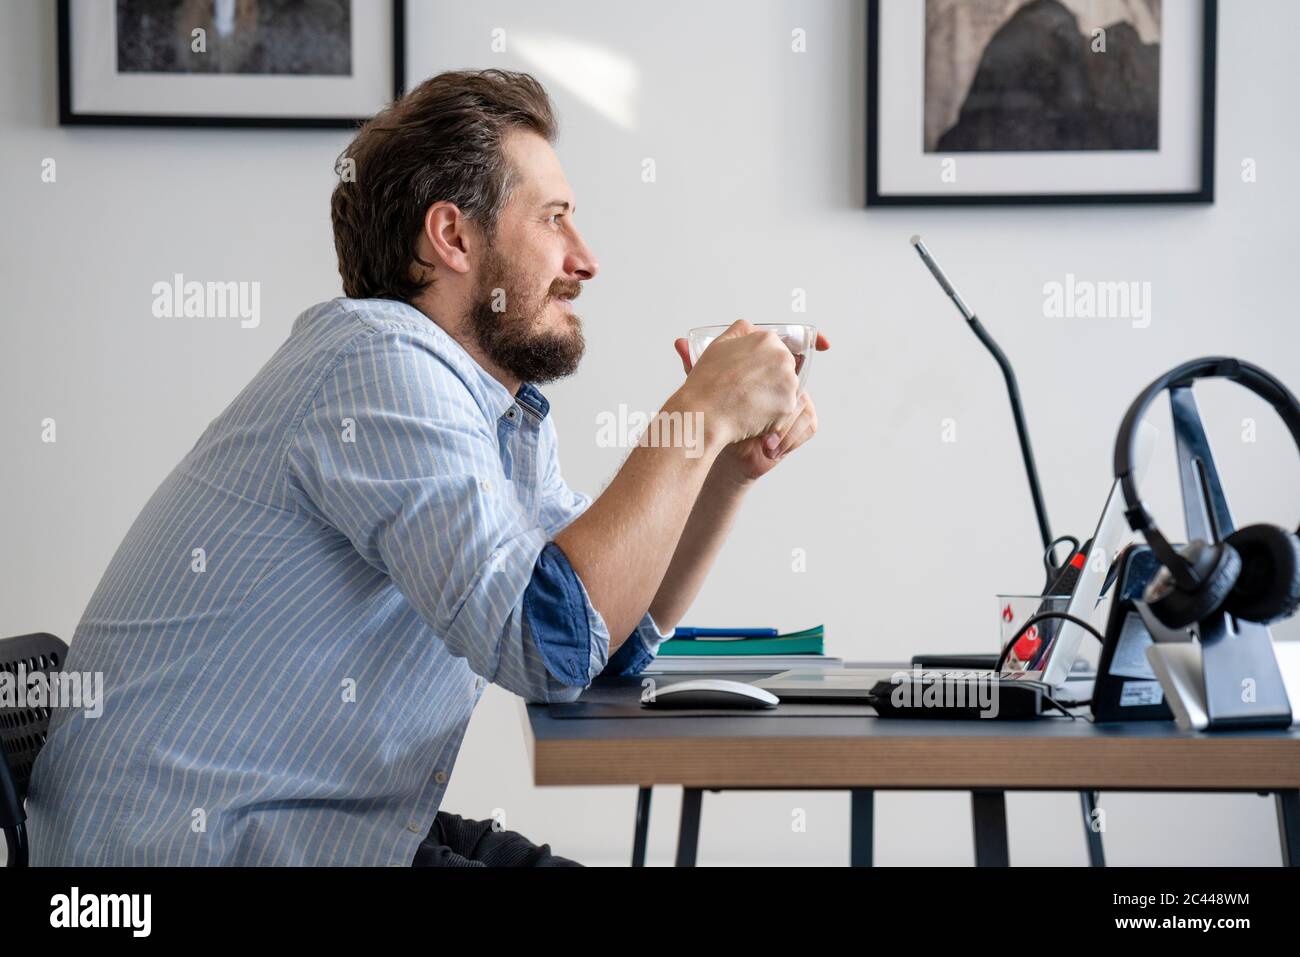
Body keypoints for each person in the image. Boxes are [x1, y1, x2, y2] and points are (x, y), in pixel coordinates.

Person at [27, 69, 827, 867]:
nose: (586, 260)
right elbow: (547, 642)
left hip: (327, 827)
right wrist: (695, 417)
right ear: (453, 236)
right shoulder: (376, 362)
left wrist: (723, 469)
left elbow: (598, 643)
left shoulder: (491, 409)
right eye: (554, 220)